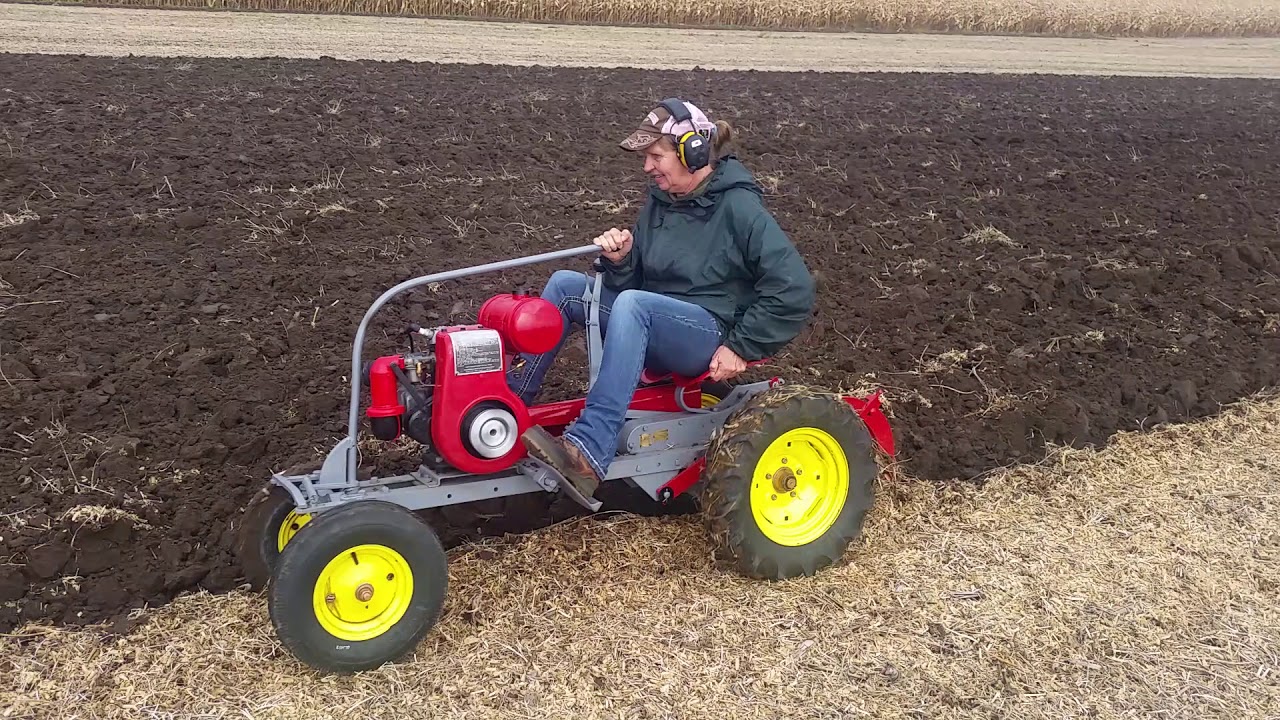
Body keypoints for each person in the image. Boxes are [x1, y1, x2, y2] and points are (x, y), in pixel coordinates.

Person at [510, 97, 816, 501]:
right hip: (651, 320)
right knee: (566, 285)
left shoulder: (738, 207)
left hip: (705, 332)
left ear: (693, 152)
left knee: (636, 305)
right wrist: (620, 261)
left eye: (656, 155)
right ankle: (507, 416)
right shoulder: (661, 202)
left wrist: (741, 347)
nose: (647, 167)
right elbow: (635, 280)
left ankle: (587, 452)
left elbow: (794, 286)